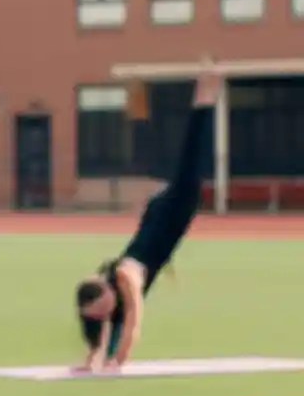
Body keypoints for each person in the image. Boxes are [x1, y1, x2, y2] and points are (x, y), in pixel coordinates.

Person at [73, 67, 222, 373]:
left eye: (102, 309)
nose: (104, 315)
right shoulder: (103, 289)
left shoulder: (126, 279)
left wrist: (117, 361)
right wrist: (91, 361)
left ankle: (205, 97)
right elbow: (105, 326)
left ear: (106, 291)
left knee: (191, 165)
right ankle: (204, 97)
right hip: (155, 216)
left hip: (170, 214)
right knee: (188, 168)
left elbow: (132, 324)